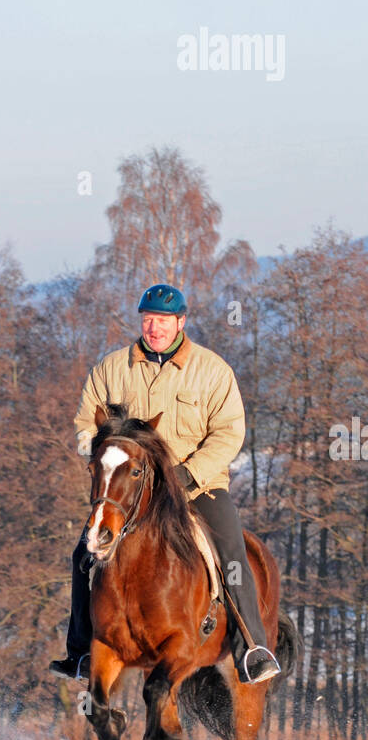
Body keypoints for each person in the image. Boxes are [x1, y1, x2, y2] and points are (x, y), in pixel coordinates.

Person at [50, 282, 281, 685]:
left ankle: (252, 649)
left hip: (198, 487)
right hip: (131, 494)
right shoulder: (111, 369)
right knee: (84, 555)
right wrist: (104, 455)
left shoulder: (212, 370)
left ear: (181, 323)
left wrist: (189, 474)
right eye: (148, 319)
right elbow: (86, 423)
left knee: (231, 553)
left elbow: (229, 433)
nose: (154, 327)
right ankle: (82, 653)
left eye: (163, 320)